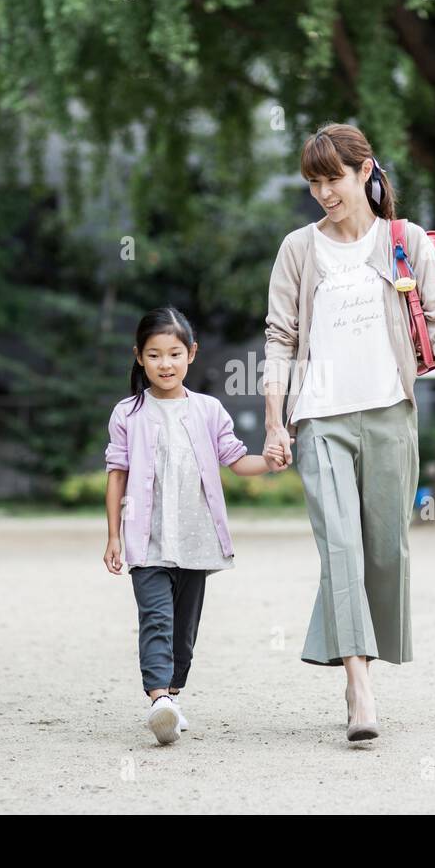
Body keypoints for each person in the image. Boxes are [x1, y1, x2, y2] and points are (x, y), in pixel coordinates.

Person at [261, 122, 435, 742]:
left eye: (333, 179)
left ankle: (364, 656)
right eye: (313, 183)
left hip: (389, 414)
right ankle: (358, 685)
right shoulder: (298, 250)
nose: (323, 192)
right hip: (321, 420)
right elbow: (278, 337)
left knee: (386, 550)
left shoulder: (406, 242)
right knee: (341, 550)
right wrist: (275, 420)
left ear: (365, 171)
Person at [104, 305, 286, 745]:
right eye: (153, 355)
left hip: (196, 541)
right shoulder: (127, 414)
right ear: (138, 357)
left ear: (191, 354)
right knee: (156, 619)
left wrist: (270, 461)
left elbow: (237, 460)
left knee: (184, 629)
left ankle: (173, 697)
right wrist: (113, 535)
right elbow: (117, 476)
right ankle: (158, 699)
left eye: (173, 353)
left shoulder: (208, 411)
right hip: (145, 543)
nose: (164, 364)